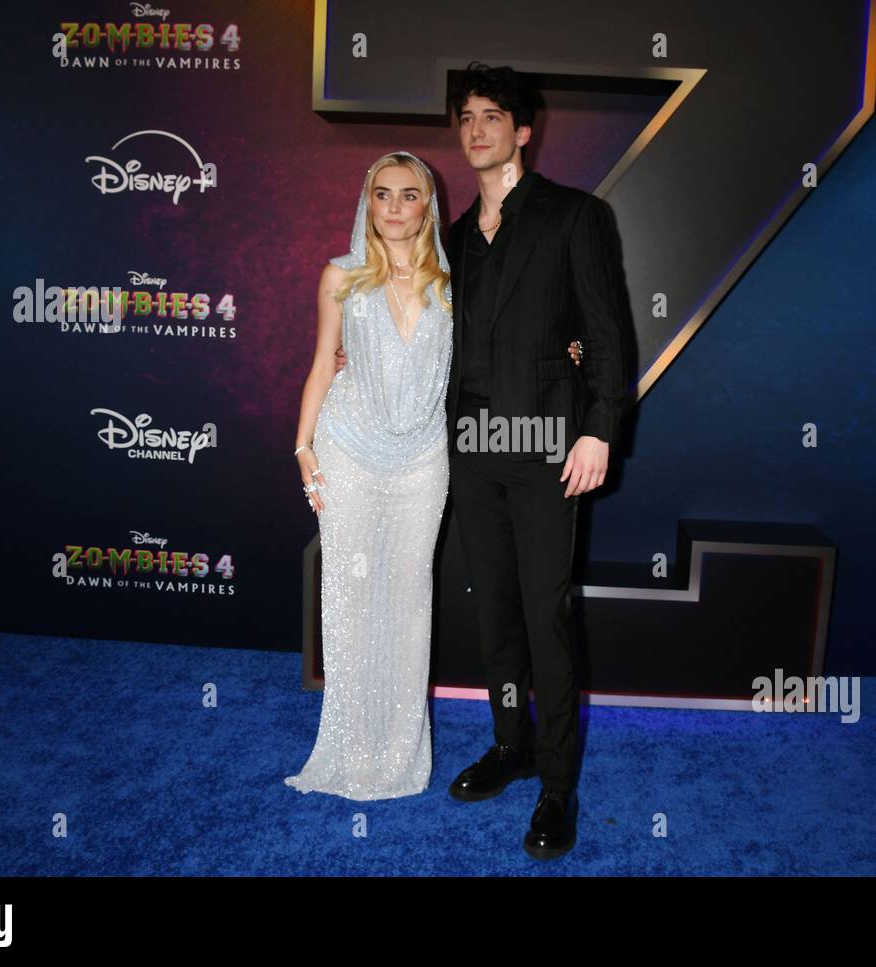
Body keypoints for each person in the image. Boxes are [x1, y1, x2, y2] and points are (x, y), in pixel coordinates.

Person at [285, 151, 582, 801]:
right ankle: (351, 747)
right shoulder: (339, 277)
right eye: (383, 194)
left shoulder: (456, 281)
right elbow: (319, 363)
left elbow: (514, 326)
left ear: (429, 204)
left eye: (409, 195)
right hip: (350, 452)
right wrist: (303, 448)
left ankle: (398, 754)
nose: (395, 207)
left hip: (424, 459)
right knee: (351, 602)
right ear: (368, 202)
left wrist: (569, 342)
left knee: (409, 604)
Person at [443, 63, 630, 859]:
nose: (478, 128)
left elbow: (609, 333)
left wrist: (599, 428)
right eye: (467, 117)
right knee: (497, 614)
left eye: (494, 115)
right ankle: (511, 743)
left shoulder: (575, 216)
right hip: (471, 454)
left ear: (524, 130)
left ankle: (557, 784)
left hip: (548, 450)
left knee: (548, 620)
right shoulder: (453, 236)